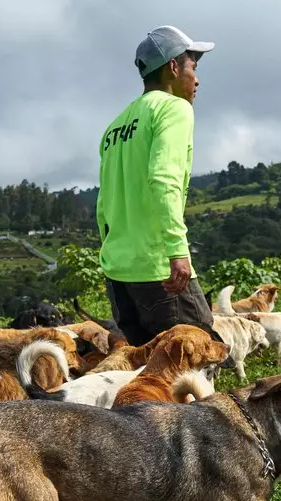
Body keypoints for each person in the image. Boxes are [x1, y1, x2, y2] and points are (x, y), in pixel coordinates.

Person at [96, 25, 216, 346]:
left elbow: (103, 204)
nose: (197, 79)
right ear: (174, 67)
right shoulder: (174, 108)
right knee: (196, 353)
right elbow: (164, 180)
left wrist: (111, 255)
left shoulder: (115, 126)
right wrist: (177, 252)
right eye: (193, 66)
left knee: (145, 373)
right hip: (159, 269)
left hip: (119, 273)